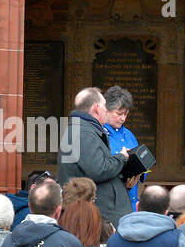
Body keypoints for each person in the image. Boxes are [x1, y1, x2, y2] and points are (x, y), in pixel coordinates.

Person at [57, 87, 134, 229]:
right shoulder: (83, 132)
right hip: (94, 218)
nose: (106, 111)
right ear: (97, 108)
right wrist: (122, 158)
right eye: (105, 107)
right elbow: (98, 169)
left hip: (94, 214)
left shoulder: (82, 129)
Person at [102, 86, 143, 212]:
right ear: (106, 110)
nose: (123, 118)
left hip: (131, 202)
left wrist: (139, 173)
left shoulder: (129, 134)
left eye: (126, 114)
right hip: (111, 205)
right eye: (119, 114)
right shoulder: (99, 135)